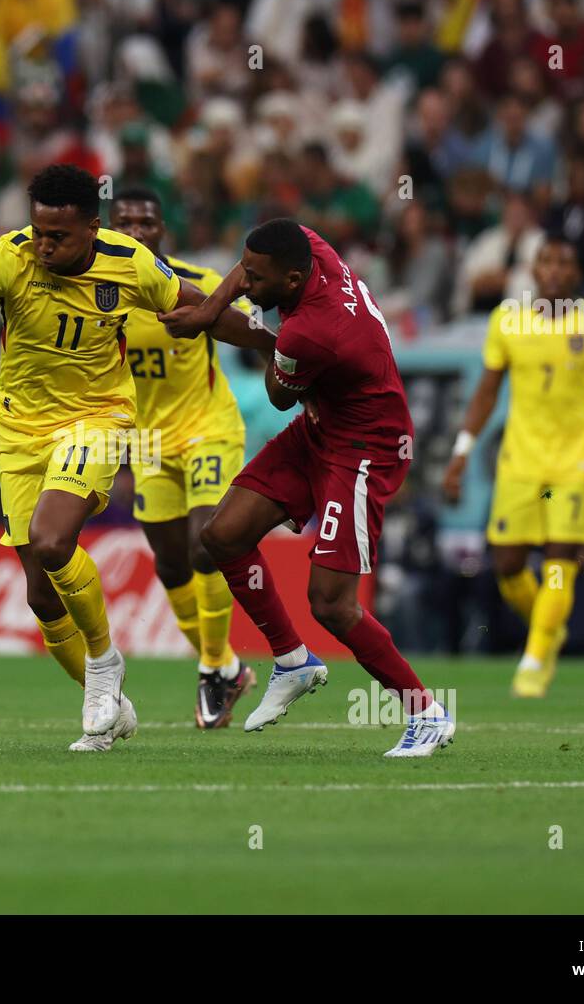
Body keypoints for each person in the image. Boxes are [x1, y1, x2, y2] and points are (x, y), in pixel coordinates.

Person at [0, 164, 270, 750]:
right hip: (19, 428)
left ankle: (109, 662)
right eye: (39, 231)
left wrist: (280, 346)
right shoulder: (10, 255)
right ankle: (111, 707)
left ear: (92, 229)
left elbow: (206, 310)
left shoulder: (128, 262)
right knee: (39, 592)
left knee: (54, 541)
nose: (44, 245)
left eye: (59, 236)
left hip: (97, 418)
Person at [162, 218, 455, 759]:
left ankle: (426, 713)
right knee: (222, 536)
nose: (244, 283)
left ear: (294, 280)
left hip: (366, 446)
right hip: (321, 427)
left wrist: (236, 327)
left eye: (256, 278)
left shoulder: (309, 334)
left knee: (331, 605)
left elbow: (277, 393)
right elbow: (266, 258)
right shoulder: (308, 248)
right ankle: (293, 661)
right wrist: (208, 311)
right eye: (243, 270)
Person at [442, 236, 584, 697]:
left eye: (563, 262)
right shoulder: (507, 321)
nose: (552, 270)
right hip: (520, 464)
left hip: (574, 464)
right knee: (507, 565)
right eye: (544, 261)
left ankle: (534, 658)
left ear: (576, 274)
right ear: (533, 270)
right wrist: (461, 452)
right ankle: (548, 628)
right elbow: (486, 393)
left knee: (559, 562)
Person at [108, 185, 255, 729]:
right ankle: (227, 667)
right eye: (124, 222)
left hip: (207, 430)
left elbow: (253, 333)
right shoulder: (96, 297)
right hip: (147, 443)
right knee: (170, 563)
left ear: (161, 229)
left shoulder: (198, 286)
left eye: (146, 222)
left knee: (205, 546)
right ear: (108, 229)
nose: (136, 231)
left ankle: (214, 668)